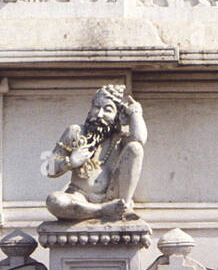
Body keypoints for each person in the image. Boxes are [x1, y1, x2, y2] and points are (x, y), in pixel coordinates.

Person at [45, 84, 147, 221]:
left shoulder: (120, 138)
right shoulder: (76, 132)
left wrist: (135, 114)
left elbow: (139, 139)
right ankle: (103, 211)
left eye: (108, 110)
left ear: (117, 116)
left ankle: (122, 206)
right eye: (96, 108)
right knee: (54, 201)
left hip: (114, 195)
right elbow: (50, 169)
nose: (99, 115)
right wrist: (70, 162)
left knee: (135, 148)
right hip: (79, 196)